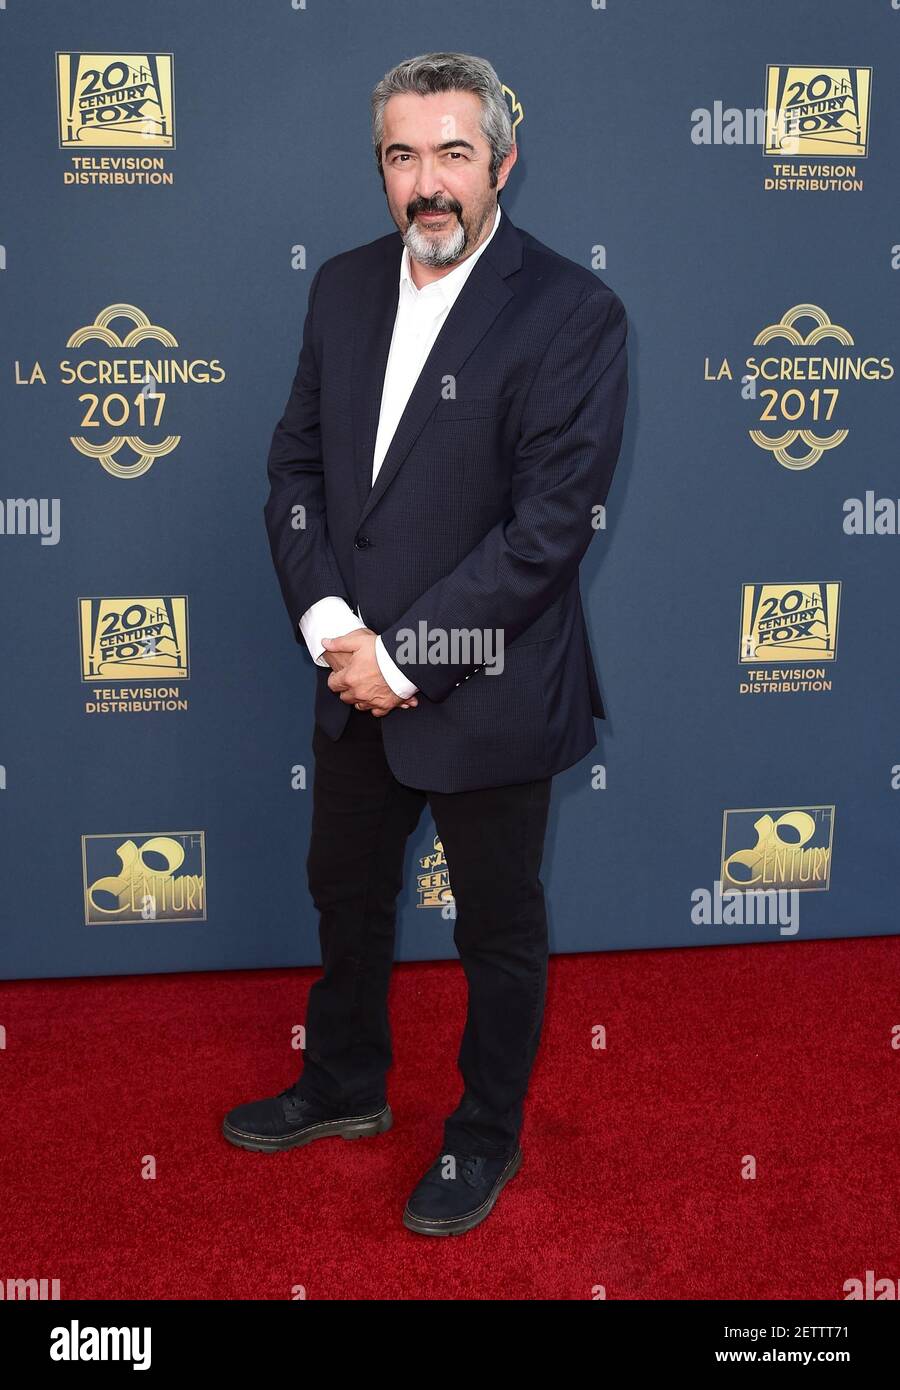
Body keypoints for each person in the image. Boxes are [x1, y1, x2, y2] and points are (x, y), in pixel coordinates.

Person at [223, 50, 628, 1237]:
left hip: (489, 688)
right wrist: (334, 627)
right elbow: (294, 470)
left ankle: (482, 1135)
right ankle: (345, 1083)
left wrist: (404, 659)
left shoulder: (575, 313)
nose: (428, 182)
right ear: (383, 171)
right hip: (350, 670)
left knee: (496, 930)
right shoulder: (343, 288)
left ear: (502, 161)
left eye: (454, 152)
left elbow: (547, 533)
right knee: (343, 895)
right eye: (404, 155)